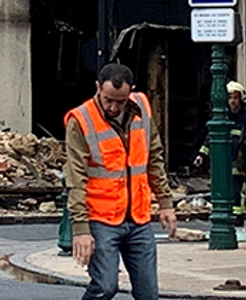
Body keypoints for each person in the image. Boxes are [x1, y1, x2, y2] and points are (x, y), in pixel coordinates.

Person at [66, 63, 177, 300]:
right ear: (97, 88)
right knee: (105, 286)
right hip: (101, 219)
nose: (114, 107)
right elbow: (76, 179)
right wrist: (80, 229)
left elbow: (153, 158)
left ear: (131, 92)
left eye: (121, 101)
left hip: (138, 218)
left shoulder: (142, 109)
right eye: (108, 100)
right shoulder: (81, 120)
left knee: (148, 294)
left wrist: (165, 203)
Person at [194, 81, 246, 221]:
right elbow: (211, 136)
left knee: (237, 190)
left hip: (240, 159)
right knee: (224, 190)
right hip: (223, 159)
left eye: (235, 98)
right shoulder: (222, 115)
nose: (233, 101)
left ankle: (238, 217)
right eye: (230, 98)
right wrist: (201, 154)